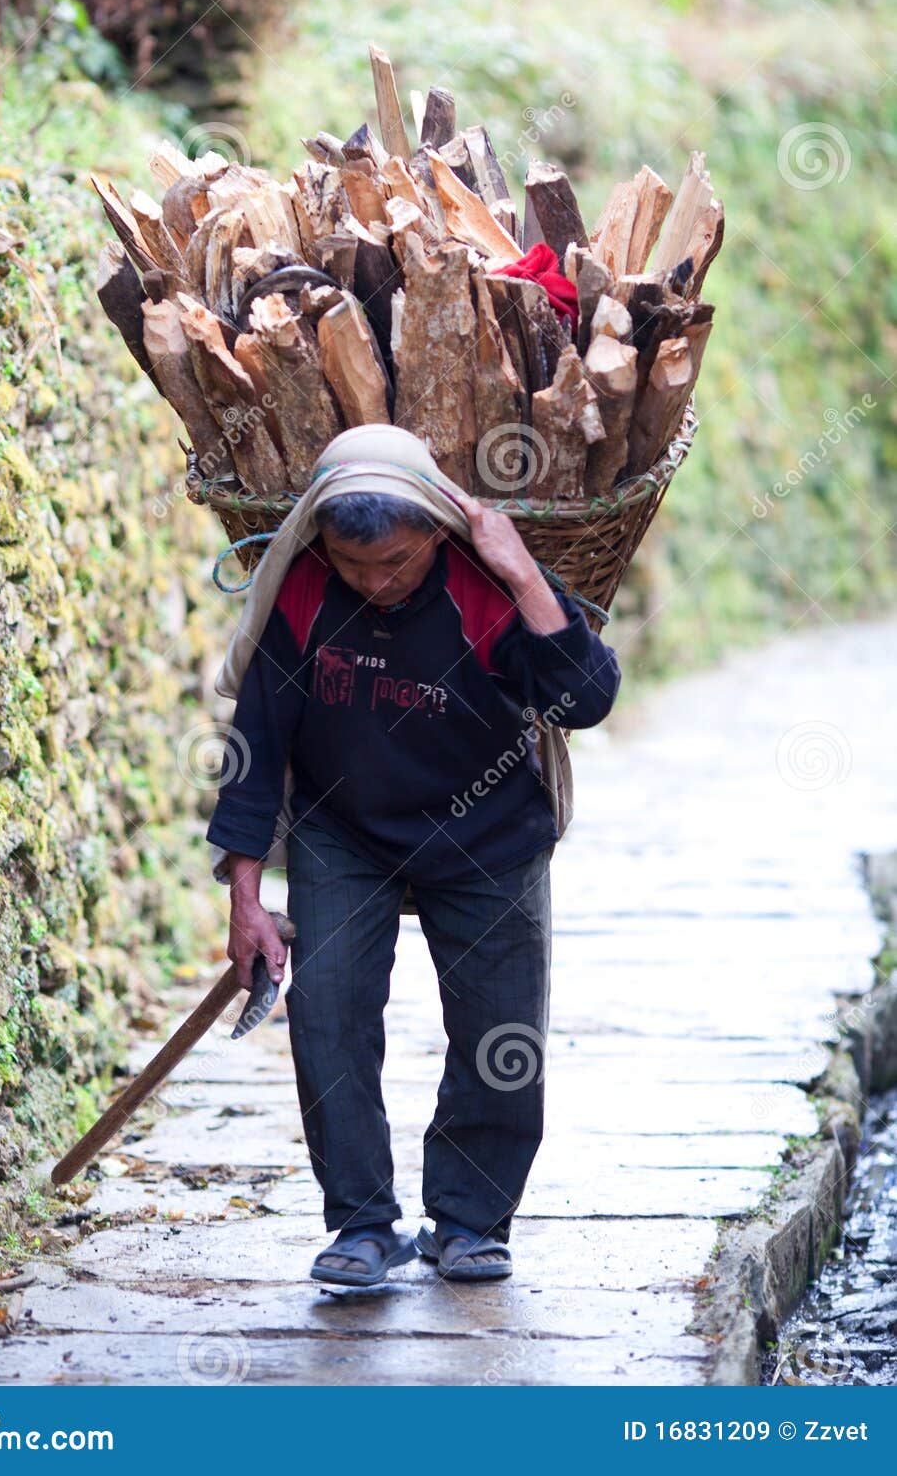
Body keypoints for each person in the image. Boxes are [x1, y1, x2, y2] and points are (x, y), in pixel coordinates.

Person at [205, 432, 621, 1286]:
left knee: (500, 1035)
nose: (374, 582)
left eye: (393, 563)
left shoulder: (486, 589)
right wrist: (246, 901)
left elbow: (585, 699)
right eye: (353, 565)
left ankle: (469, 1220)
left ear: (435, 531)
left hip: (487, 838)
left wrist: (519, 572)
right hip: (342, 832)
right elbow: (255, 743)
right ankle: (359, 1225)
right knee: (328, 1023)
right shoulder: (303, 591)